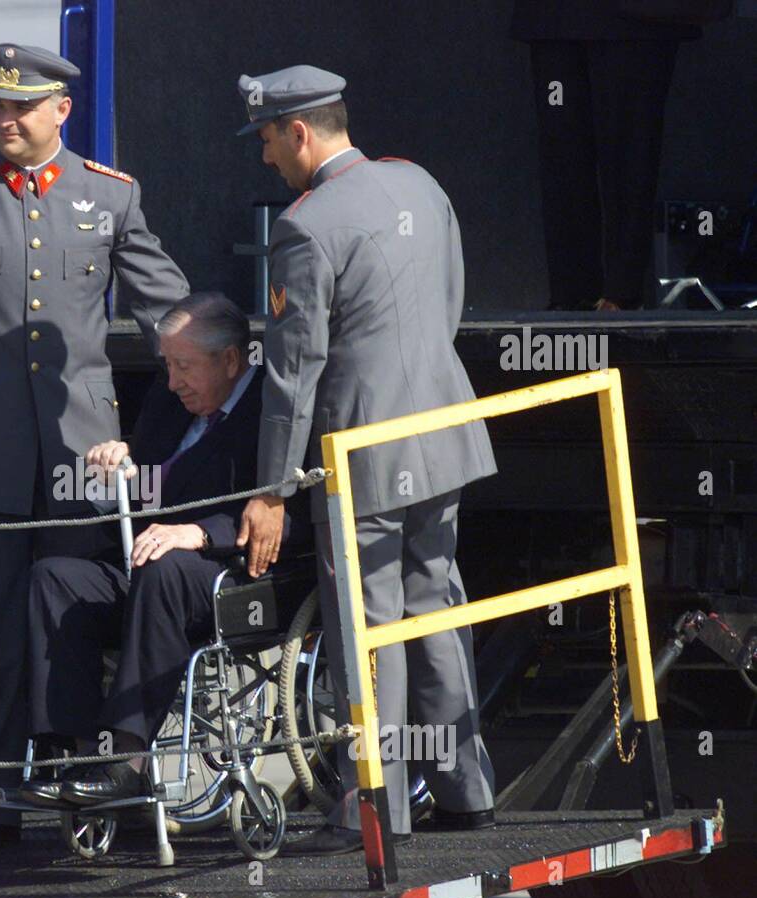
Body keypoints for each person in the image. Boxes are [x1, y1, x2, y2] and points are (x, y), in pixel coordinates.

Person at [0, 42, 189, 860]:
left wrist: (233, 374)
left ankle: (91, 793)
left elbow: (173, 316)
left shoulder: (109, 196)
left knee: (75, 626)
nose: (5, 119)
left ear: (62, 111)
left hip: (84, 463)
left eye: (21, 107)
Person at [234, 67, 498, 854]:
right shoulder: (418, 184)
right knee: (438, 606)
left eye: (270, 140)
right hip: (444, 428)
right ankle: (466, 786)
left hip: (366, 454)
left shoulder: (305, 226)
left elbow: (294, 374)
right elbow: (448, 299)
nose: (267, 159)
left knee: (368, 628)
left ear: (302, 132)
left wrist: (271, 491)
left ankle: (375, 805)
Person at [24, 292, 307, 806]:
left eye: (183, 366)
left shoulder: (273, 411)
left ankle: (127, 759)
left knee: (166, 567)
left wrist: (198, 533)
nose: (172, 380)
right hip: (150, 558)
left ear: (229, 360)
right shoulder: (169, 399)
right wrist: (121, 461)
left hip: (230, 571)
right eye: (168, 365)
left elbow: (297, 515)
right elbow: (153, 479)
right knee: (55, 575)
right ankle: (67, 752)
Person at [511, 0, 730, 310]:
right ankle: (572, 295)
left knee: (629, 154)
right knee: (562, 157)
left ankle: (622, 293)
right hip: (555, 19)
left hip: (637, 21)